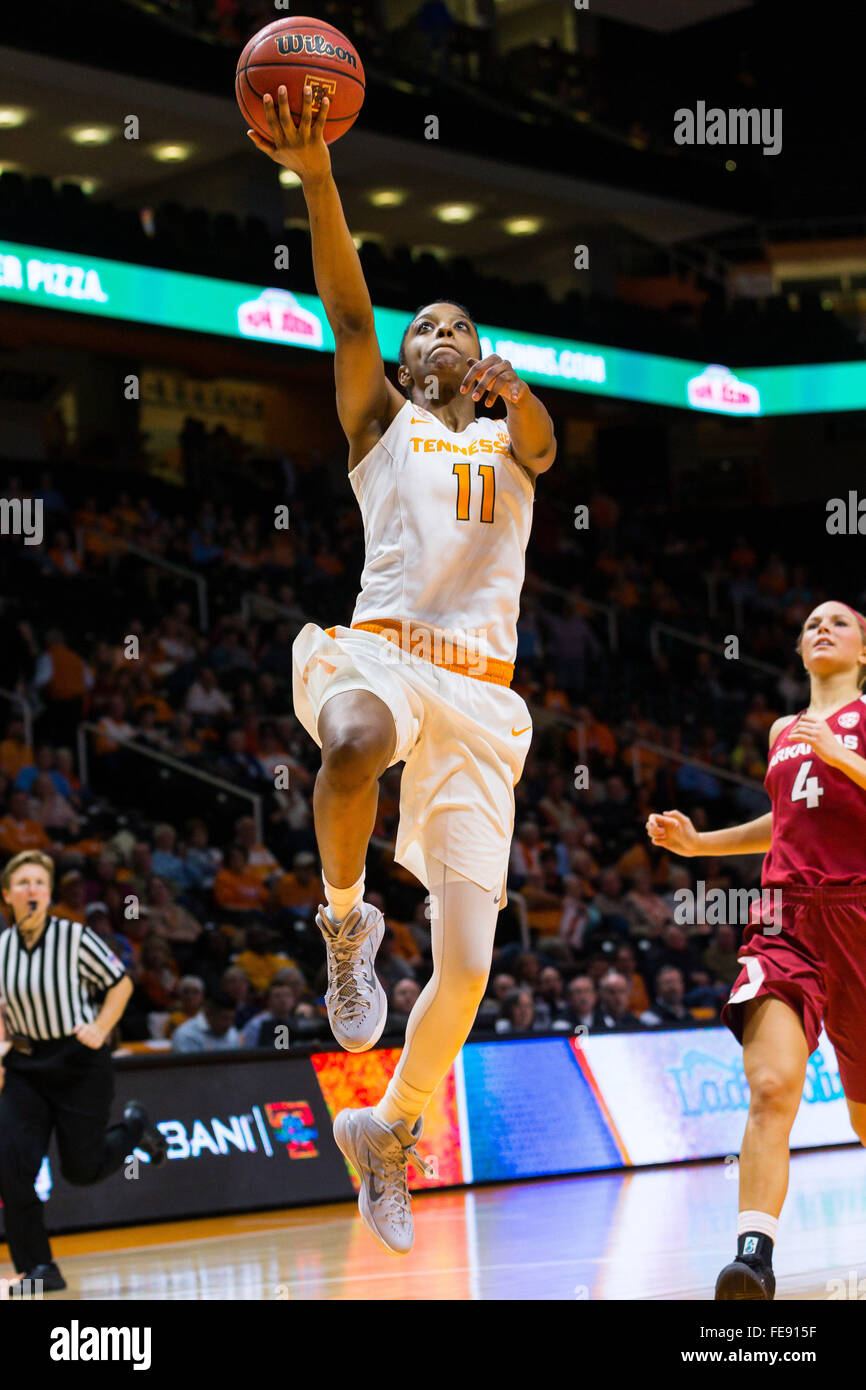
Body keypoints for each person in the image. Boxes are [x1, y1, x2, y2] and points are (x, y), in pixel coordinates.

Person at [248, 84, 555, 1256]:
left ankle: (390, 1124)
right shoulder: (379, 419)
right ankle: (341, 922)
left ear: (479, 356)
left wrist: (518, 393)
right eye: (424, 324)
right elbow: (344, 310)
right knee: (355, 740)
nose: (435, 332)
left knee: (471, 965)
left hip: (485, 701)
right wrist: (318, 175)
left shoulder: (506, 443)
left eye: (455, 324)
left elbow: (540, 442)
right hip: (379, 654)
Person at [647, 600, 866, 1301]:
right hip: (787, 918)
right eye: (811, 627)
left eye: (839, 622)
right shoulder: (781, 731)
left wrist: (843, 759)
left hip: (859, 912)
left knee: (865, 1117)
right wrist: (701, 844)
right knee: (771, 1086)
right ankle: (753, 1258)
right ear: (801, 654)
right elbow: (786, 818)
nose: (822, 630)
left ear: (863, 650)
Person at [0, 850, 165, 1294]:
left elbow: (120, 984)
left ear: (49, 893)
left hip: (78, 1062)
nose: (32, 889)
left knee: (83, 1170)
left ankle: (133, 1126)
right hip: (25, 1067)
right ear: (7, 895)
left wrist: (100, 1027)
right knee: (11, 1168)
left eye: (39, 882)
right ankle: (39, 1271)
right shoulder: (0, 950)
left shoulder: (74, 938)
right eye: (23, 883)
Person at [170, 992, 241, 1053]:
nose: (229, 1024)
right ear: (209, 1014)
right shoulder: (186, 1035)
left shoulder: (232, 1032)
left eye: (232, 1019)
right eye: (224, 1018)